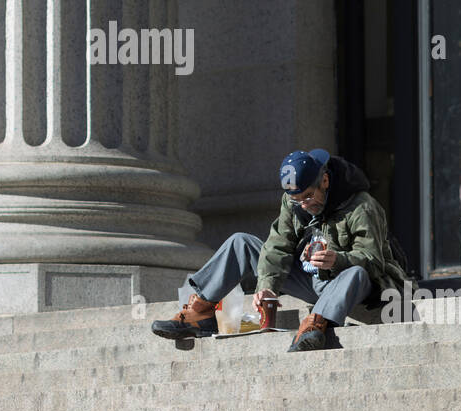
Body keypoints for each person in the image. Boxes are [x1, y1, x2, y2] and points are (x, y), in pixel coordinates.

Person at [151, 148, 408, 352]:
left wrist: (338, 260)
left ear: (325, 180)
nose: (304, 205)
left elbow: (373, 261)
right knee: (241, 242)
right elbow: (277, 246)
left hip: (355, 285)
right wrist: (267, 287)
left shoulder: (362, 206)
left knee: (356, 273)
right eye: (297, 200)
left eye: (309, 196)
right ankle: (201, 312)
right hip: (313, 280)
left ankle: (315, 326)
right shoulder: (293, 202)